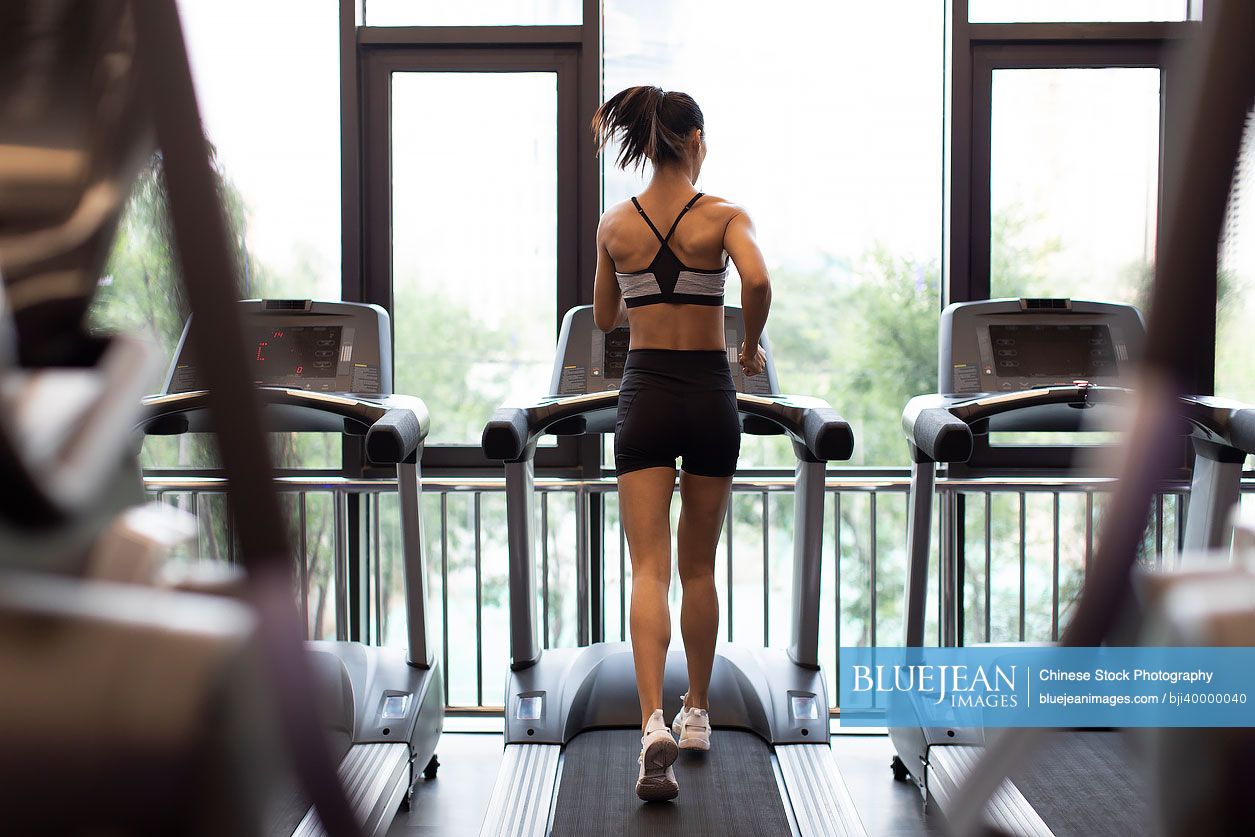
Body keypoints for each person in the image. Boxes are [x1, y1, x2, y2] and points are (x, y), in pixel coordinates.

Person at [590, 85, 772, 802]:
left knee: (647, 569)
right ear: (695, 140)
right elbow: (755, 277)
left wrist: (632, 284)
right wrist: (748, 344)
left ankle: (651, 724)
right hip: (706, 393)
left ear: (646, 142)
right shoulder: (723, 215)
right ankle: (696, 713)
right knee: (699, 567)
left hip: (643, 392)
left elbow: (605, 316)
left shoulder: (616, 224)